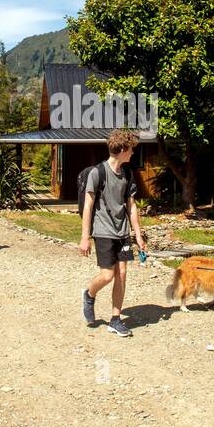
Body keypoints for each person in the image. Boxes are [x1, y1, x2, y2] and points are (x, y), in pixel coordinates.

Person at [79, 130, 147, 337]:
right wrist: (85, 237)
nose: (133, 153)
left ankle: (115, 320)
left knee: (122, 273)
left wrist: (138, 235)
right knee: (107, 275)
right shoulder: (97, 173)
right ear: (122, 150)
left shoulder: (127, 174)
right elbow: (88, 207)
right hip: (103, 230)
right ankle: (89, 294)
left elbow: (132, 207)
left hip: (122, 231)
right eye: (131, 149)